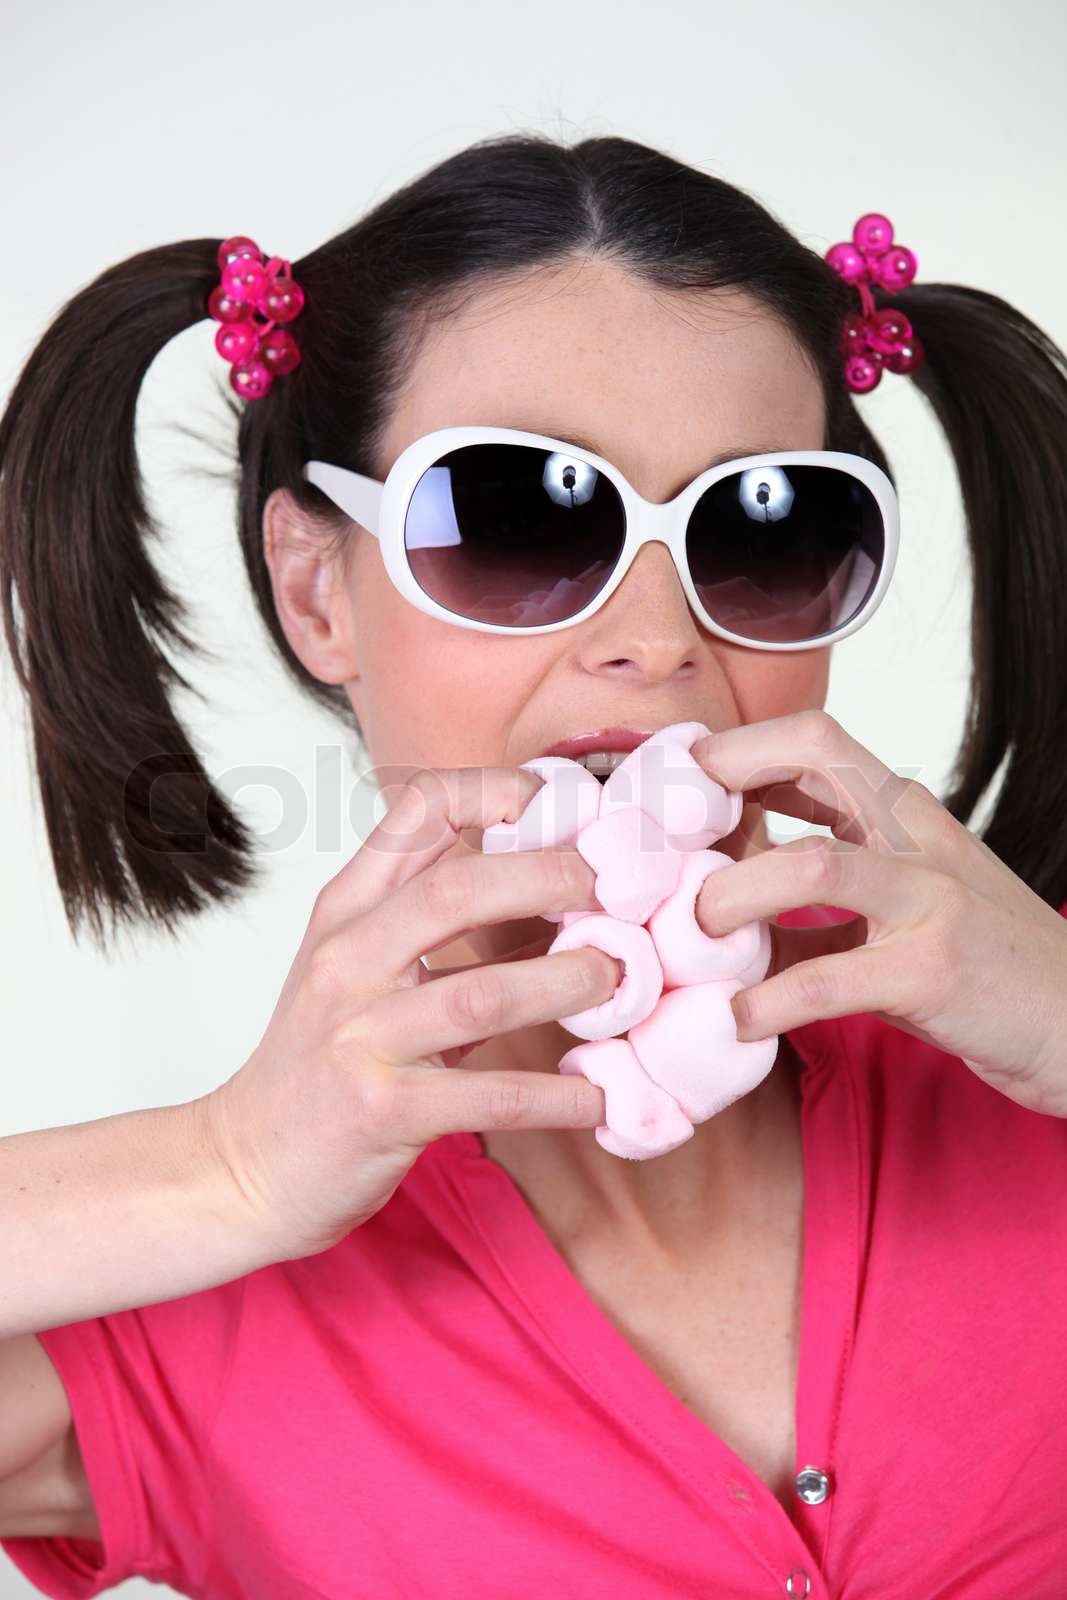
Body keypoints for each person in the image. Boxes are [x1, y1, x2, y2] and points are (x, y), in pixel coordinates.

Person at [2, 131, 1067, 1599]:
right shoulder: (199, 1296)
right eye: (517, 516)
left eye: (763, 531)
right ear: (320, 593)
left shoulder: (1026, 1049)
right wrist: (224, 1166)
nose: (657, 636)